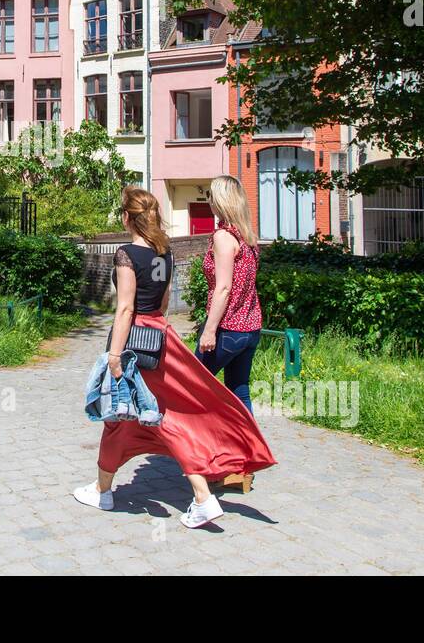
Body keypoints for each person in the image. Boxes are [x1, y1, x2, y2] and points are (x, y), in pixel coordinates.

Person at [73, 186, 275, 528]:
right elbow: (164, 303)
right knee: (160, 416)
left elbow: (124, 308)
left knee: (122, 415)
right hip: (161, 337)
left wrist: (115, 354)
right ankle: (192, 493)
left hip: (135, 340)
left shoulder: (126, 254)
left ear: (127, 217)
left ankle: (110, 491)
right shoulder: (164, 254)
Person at [197, 175, 263, 414]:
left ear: (221, 201)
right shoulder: (248, 238)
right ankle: (252, 449)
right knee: (239, 389)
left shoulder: (224, 237)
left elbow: (223, 288)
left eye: (211, 196)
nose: (209, 202)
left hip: (228, 329)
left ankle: (198, 445)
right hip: (250, 328)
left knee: (192, 384)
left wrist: (209, 330)